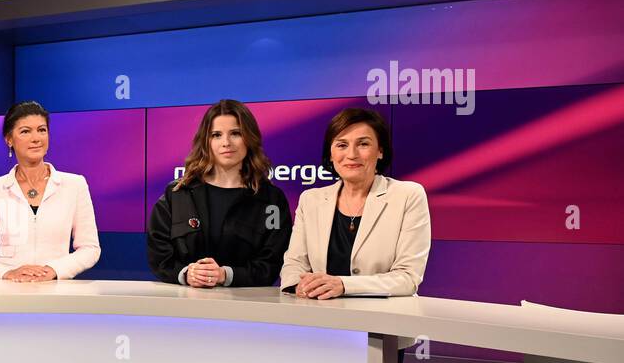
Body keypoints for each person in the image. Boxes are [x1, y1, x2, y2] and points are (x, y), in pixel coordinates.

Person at [280, 107, 430, 298]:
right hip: (321, 317)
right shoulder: (311, 200)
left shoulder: (408, 195)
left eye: (363, 144)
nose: (351, 154)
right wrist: (298, 285)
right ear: (331, 153)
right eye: (341, 145)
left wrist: (343, 284)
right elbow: (294, 264)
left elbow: (408, 278)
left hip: (387, 320)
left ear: (380, 151)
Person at [147, 99, 292, 286]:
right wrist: (186, 274)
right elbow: (159, 256)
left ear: (249, 138)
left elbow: (271, 264)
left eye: (236, 133)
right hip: (184, 308)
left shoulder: (272, 200)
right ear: (206, 142)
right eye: (216, 135)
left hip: (246, 308)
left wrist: (225, 275)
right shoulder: (176, 193)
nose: (226, 143)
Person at [0, 101, 99, 280]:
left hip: (57, 291)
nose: (36, 138)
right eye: (25, 131)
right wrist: (6, 273)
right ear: (9, 139)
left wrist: (54, 270)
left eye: (42, 130)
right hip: (8, 292)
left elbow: (90, 248)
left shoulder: (75, 185)